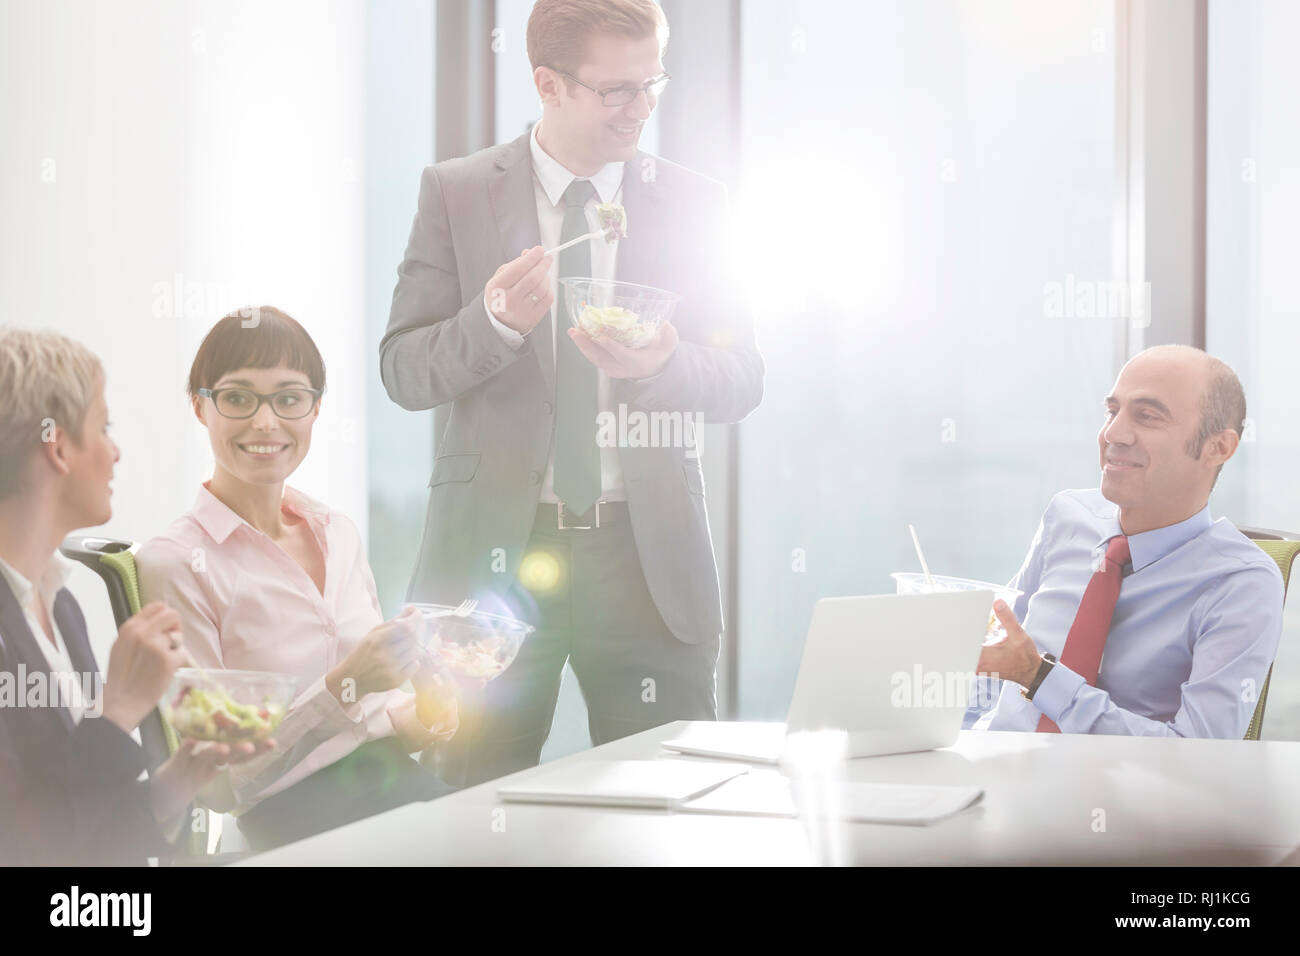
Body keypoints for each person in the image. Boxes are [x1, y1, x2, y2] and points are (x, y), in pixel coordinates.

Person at [380, 0, 764, 786]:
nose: (643, 106)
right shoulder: (454, 194)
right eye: (617, 90)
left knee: (675, 797)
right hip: (495, 565)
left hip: (648, 560)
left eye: (652, 79)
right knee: (470, 801)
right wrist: (490, 323)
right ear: (548, 84)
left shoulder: (695, 203)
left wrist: (662, 362)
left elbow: (742, 380)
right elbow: (403, 371)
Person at [135, 307, 459, 851]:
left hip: (399, 791)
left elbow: (373, 728)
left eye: (288, 399)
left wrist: (430, 709)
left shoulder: (340, 534)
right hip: (301, 827)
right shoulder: (177, 562)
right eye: (238, 398)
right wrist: (345, 683)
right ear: (200, 406)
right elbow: (217, 785)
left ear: (314, 411)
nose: (266, 422)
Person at [0, 327, 269, 866]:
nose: (116, 451)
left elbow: (80, 827)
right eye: (103, 427)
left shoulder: (61, 605)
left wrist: (176, 784)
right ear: (57, 448)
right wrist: (117, 710)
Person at [972, 345, 1284, 737]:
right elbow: (996, 653)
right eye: (1112, 411)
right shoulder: (1067, 516)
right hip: (989, 769)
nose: (1112, 434)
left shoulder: (1242, 583)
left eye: (1147, 416)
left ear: (1217, 448)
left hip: (1116, 795)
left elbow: (1202, 751)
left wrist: (1039, 679)